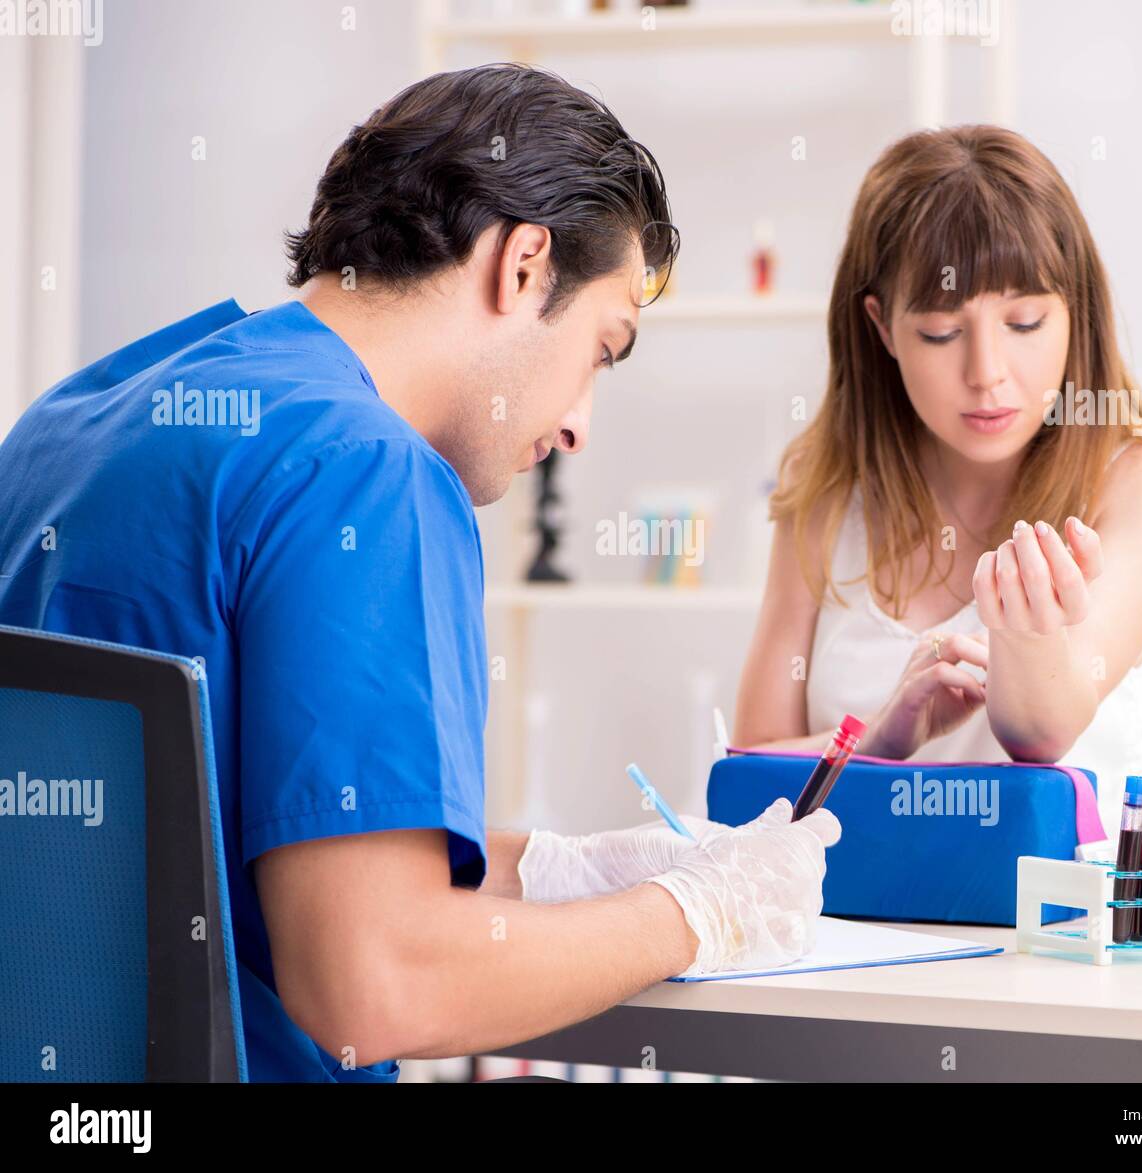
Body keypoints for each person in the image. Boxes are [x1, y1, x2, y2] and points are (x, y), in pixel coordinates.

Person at [0, 64, 840, 1082]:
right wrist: (696, 914)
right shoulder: (367, 476)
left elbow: (203, 824)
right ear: (524, 265)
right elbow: (375, 989)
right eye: (601, 348)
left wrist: (558, 870)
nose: (577, 423)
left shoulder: (78, 418)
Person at [734, 125, 1142, 839]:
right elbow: (751, 789)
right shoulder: (827, 494)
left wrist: (1023, 631)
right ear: (881, 327)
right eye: (940, 332)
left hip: (1056, 938)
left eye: (1025, 321)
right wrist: (880, 738)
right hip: (848, 930)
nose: (987, 371)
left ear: (1074, 309)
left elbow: (1044, 728)